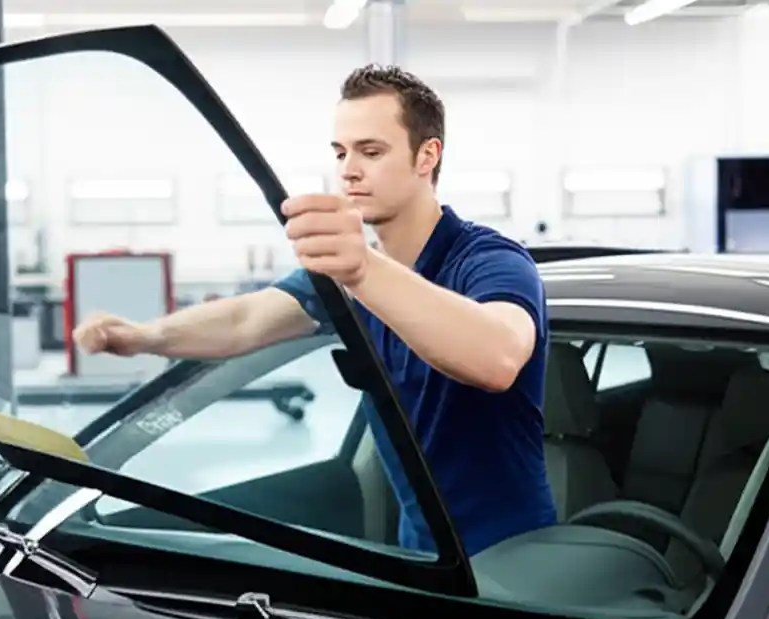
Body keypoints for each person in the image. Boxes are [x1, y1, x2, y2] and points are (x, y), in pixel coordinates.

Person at [71, 64, 555, 557]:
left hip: (513, 558)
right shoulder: (349, 274)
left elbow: (497, 359)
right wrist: (143, 336)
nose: (348, 170)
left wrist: (363, 269)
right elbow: (245, 321)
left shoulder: (490, 261)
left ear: (427, 156)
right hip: (426, 555)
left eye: (371, 151)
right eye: (341, 153)